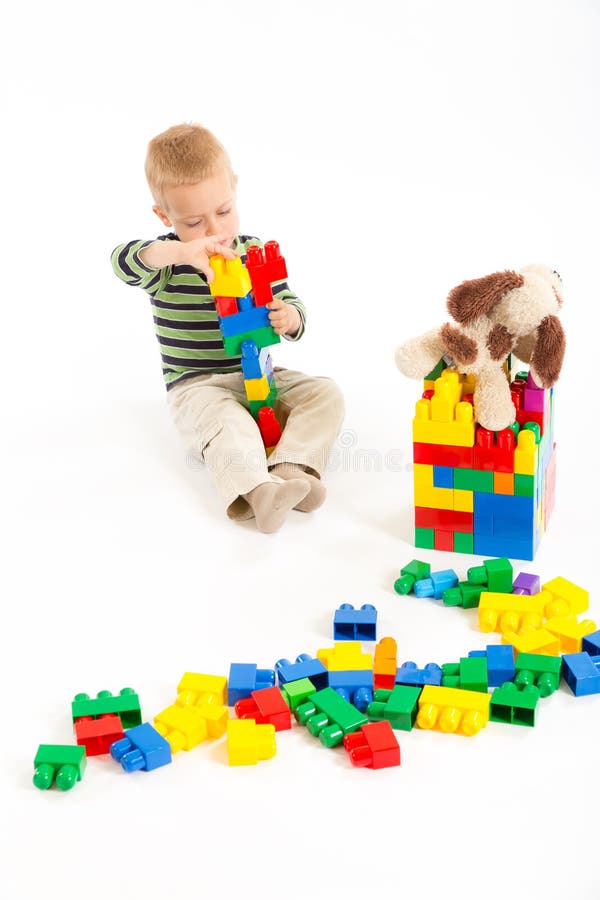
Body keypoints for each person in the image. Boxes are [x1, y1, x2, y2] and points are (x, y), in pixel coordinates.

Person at [111, 123, 345, 533]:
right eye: (193, 222)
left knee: (325, 393)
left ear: (234, 188)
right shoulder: (168, 265)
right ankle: (258, 493)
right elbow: (123, 260)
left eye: (223, 212)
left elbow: (289, 301)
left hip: (260, 377)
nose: (214, 231)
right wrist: (182, 251)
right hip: (199, 388)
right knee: (229, 422)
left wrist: (289, 317)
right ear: (165, 215)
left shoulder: (253, 253)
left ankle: (291, 467)